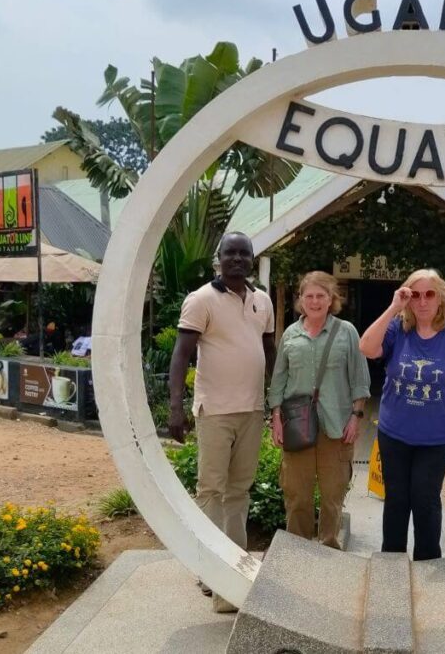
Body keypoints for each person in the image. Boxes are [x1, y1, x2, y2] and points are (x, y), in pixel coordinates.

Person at [168, 232, 275, 612]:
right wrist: (175, 407)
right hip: (214, 410)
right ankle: (209, 568)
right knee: (211, 489)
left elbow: (268, 351)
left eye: (244, 253)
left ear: (251, 258)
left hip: (251, 410)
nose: (237, 259)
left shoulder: (262, 300)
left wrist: (272, 400)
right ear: (219, 257)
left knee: (240, 491)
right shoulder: (201, 299)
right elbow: (180, 356)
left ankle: (238, 562)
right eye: (230, 253)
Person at [360, 269, 445, 561]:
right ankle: (392, 566)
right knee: (396, 501)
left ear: (440, 298)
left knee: (425, 500)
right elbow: (366, 347)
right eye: (415, 295)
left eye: (430, 294)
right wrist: (393, 307)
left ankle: (428, 567)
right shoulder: (397, 329)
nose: (423, 301)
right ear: (408, 298)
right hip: (395, 434)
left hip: (437, 439)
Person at [268, 271, 371, 549]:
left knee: (332, 496)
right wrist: (276, 417)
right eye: (309, 296)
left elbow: (360, 380)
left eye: (320, 296)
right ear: (300, 299)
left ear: (331, 299)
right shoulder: (291, 333)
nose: (314, 301)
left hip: (336, 427)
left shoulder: (346, 331)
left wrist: (356, 417)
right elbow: (278, 380)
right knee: (297, 495)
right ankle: (298, 552)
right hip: (297, 425)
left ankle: (329, 551)